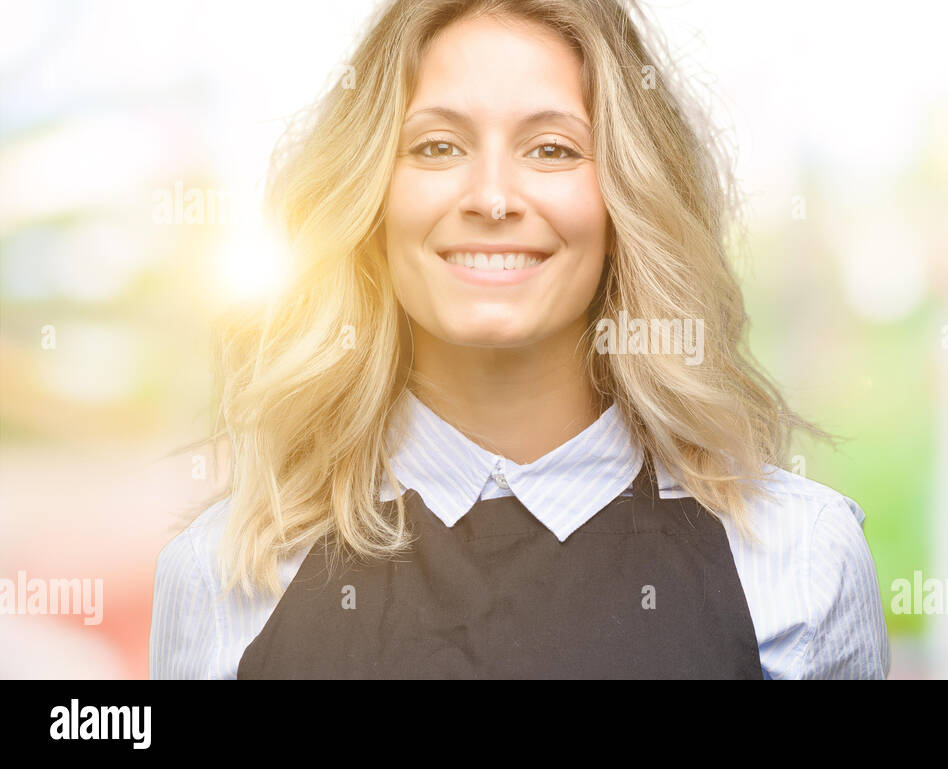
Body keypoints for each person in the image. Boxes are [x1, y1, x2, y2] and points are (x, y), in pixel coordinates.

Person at [149, 0, 890, 679]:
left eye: (553, 149)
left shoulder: (799, 560)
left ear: (625, 198)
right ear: (372, 195)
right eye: (438, 147)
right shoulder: (225, 574)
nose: (494, 198)